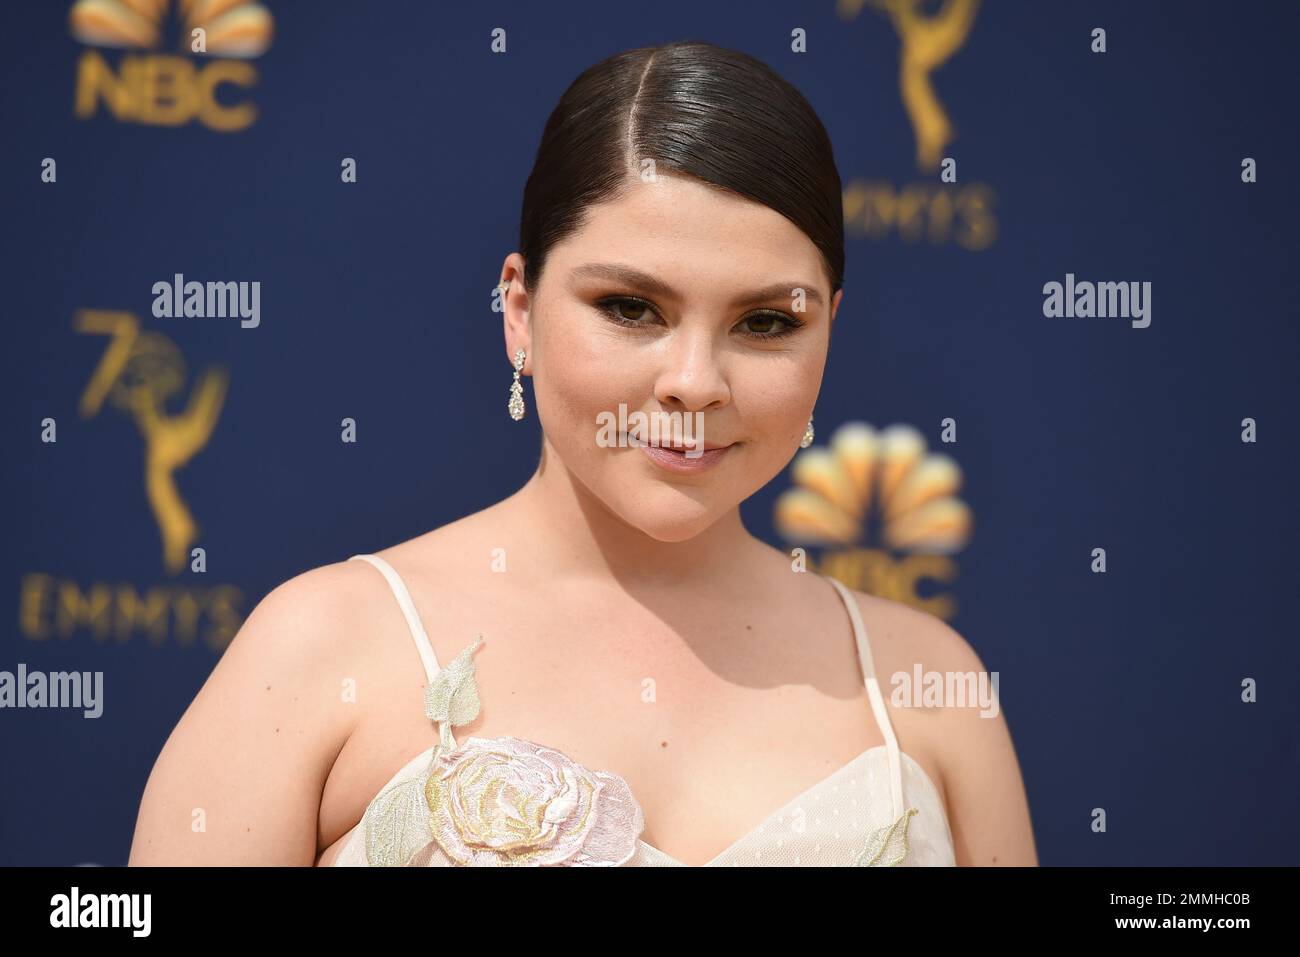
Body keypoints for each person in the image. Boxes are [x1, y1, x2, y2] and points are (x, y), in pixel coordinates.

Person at [129, 39, 1036, 868]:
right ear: (518, 309)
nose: (694, 381)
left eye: (765, 323)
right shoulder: (322, 646)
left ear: (829, 333)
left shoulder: (932, 687)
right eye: (631, 308)